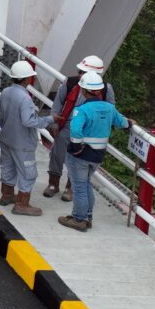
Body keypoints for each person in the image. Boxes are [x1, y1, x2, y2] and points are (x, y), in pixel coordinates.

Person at [59, 71, 129, 232]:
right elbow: (122, 122)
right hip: (97, 155)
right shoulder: (110, 108)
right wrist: (131, 124)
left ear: (83, 90)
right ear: (99, 90)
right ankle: (87, 216)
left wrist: (76, 147)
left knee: (79, 187)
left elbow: (76, 131)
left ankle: (79, 219)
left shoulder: (82, 110)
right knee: (86, 184)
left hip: (80, 155)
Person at [42, 55, 115, 201]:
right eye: (80, 71)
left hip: (89, 129)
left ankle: (70, 187)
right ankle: (53, 184)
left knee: (78, 158)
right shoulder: (69, 83)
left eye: (83, 72)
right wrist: (54, 124)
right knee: (57, 153)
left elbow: (110, 110)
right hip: (67, 124)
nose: (80, 74)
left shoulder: (105, 89)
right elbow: (58, 104)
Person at [0, 60, 52, 216]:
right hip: (22, 142)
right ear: (28, 79)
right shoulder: (25, 98)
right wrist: (49, 120)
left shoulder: (6, 92)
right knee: (28, 173)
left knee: (7, 166)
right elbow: (29, 121)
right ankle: (22, 204)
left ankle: (6, 195)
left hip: (6, 137)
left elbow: (1, 116)